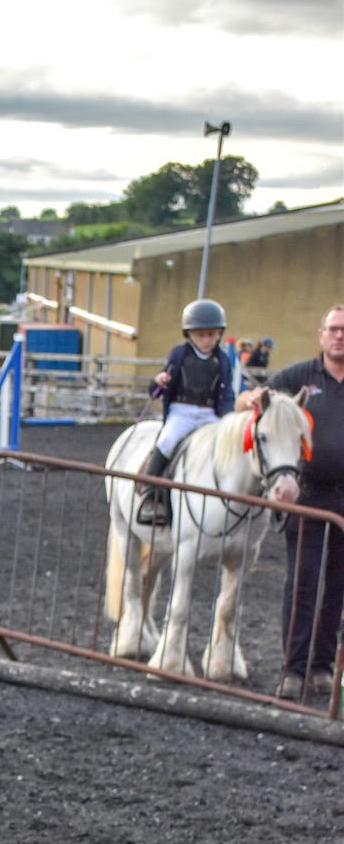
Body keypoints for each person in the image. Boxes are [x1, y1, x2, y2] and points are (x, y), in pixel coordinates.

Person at [237, 306, 344, 700]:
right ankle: (293, 670)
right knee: (302, 583)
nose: (339, 337)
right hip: (309, 496)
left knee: (336, 588)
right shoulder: (299, 376)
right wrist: (249, 399)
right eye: (333, 329)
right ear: (321, 335)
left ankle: (322, 668)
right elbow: (254, 401)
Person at [137, 298, 235, 526]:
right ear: (189, 334)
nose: (207, 340)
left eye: (212, 334)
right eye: (201, 335)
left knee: (224, 444)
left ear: (219, 334)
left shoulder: (222, 360)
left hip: (209, 413)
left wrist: (228, 417)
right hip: (182, 411)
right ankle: (150, 494)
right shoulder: (179, 354)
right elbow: (160, 386)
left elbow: (227, 392)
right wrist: (158, 381)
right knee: (167, 441)